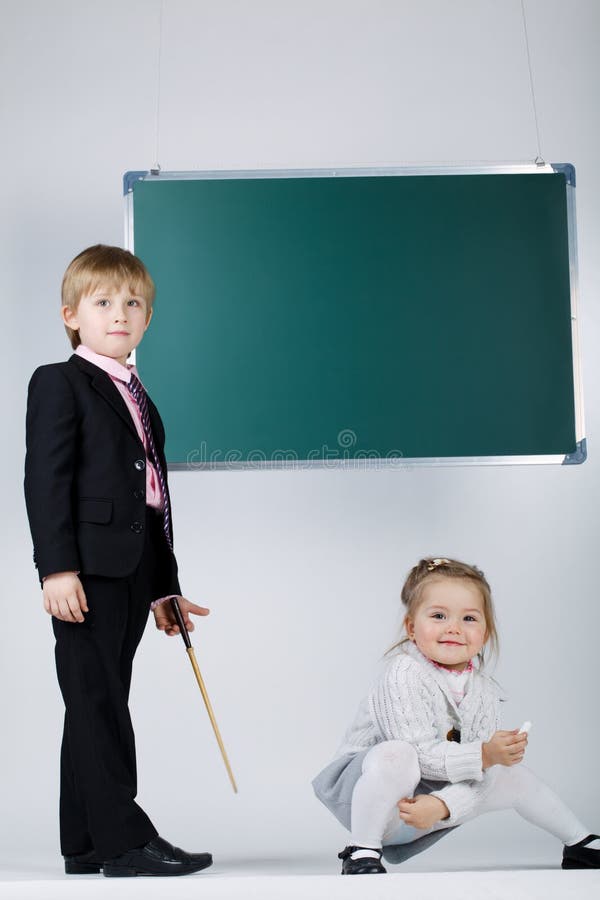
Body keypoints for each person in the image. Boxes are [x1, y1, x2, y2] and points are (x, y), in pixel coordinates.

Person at [24, 244, 213, 877]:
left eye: (133, 304)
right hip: (85, 573)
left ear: (148, 319)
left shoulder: (137, 393)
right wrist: (56, 569)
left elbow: (152, 495)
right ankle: (124, 843)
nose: (120, 314)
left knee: (96, 700)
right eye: (103, 303)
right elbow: (45, 482)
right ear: (71, 315)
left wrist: (165, 588)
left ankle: (83, 842)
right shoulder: (60, 381)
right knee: (98, 703)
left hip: (133, 571)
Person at [312, 557, 600, 874]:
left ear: (486, 632)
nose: (454, 628)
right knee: (399, 753)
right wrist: (482, 754)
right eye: (438, 616)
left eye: (469, 618)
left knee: (508, 775)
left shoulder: (484, 691)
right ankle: (362, 849)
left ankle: (580, 845)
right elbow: (418, 754)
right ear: (411, 627)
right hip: (366, 799)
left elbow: (481, 773)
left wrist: (445, 804)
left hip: (425, 807)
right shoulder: (404, 674)